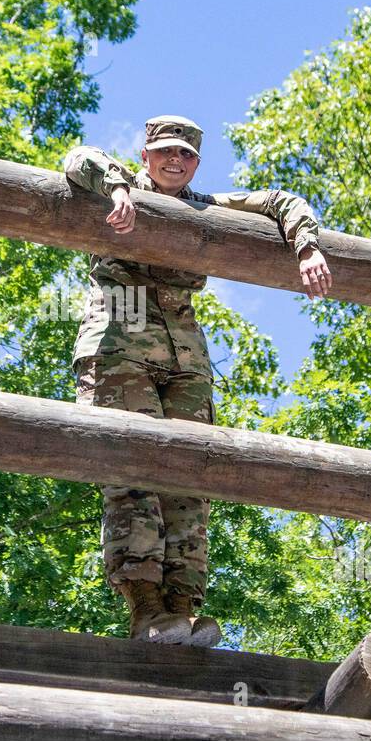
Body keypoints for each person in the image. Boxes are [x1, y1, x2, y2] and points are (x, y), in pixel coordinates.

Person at [65, 114, 332, 647]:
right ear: (144, 156)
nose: (174, 161)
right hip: (119, 347)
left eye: (185, 156)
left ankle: (184, 612)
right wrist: (116, 187)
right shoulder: (117, 188)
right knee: (132, 469)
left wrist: (306, 245)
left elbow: (282, 200)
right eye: (164, 151)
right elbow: (76, 159)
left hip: (186, 359)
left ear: (196, 164)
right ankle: (146, 610)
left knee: (192, 478)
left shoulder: (207, 207)